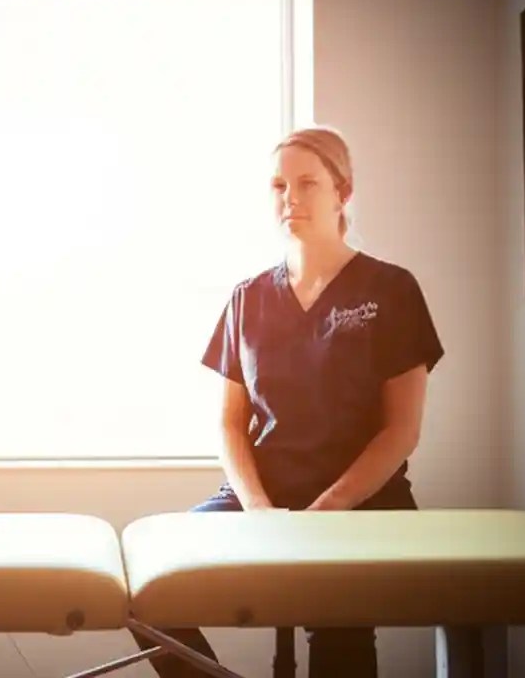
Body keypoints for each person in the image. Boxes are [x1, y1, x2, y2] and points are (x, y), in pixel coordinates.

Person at [135, 126, 444, 678]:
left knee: (335, 618)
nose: (290, 198)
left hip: (361, 502)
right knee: (148, 590)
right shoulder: (249, 296)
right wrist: (257, 509)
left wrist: (325, 512)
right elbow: (231, 425)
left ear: (342, 192)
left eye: (307, 183)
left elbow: (402, 431)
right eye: (278, 185)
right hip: (265, 497)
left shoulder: (390, 289)